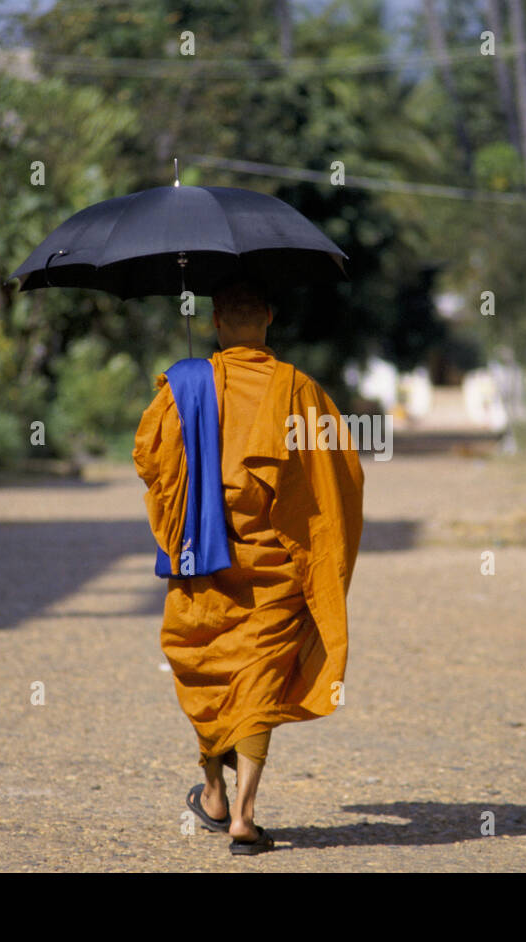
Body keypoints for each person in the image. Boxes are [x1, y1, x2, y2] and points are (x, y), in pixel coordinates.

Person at [133, 279, 364, 855]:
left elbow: (148, 459)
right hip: (271, 563)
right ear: (267, 317)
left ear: (213, 322)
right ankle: (242, 814)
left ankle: (212, 788)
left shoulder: (184, 383)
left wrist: (192, 414)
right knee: (256, 680)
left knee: (207, 668)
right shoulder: (298, 390)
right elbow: (336, 479)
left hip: (201, 559)